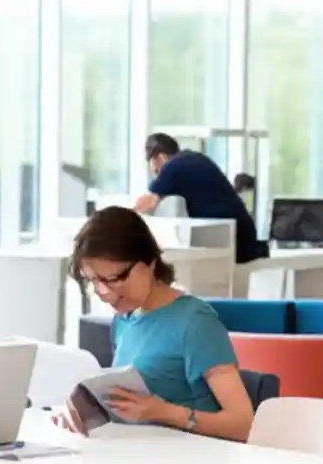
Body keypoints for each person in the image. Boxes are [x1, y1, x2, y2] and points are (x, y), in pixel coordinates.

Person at [57, 206, 254, 442]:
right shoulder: (124, 320)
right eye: (93, 280)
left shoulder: (194, 321)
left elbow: (244, 424)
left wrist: (165, 413)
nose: (103, 292)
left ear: (149, 262)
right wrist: (82, 411)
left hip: (193, 463)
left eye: (114, 279)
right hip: (141, 455)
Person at [134, 133, 268, 264]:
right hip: (244, 235)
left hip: (231, 241)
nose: (157, 174)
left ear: (158, 157)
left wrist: (129, 216)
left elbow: (150, 202)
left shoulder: (172, 167)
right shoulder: (196, 158)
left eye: (154, 168)